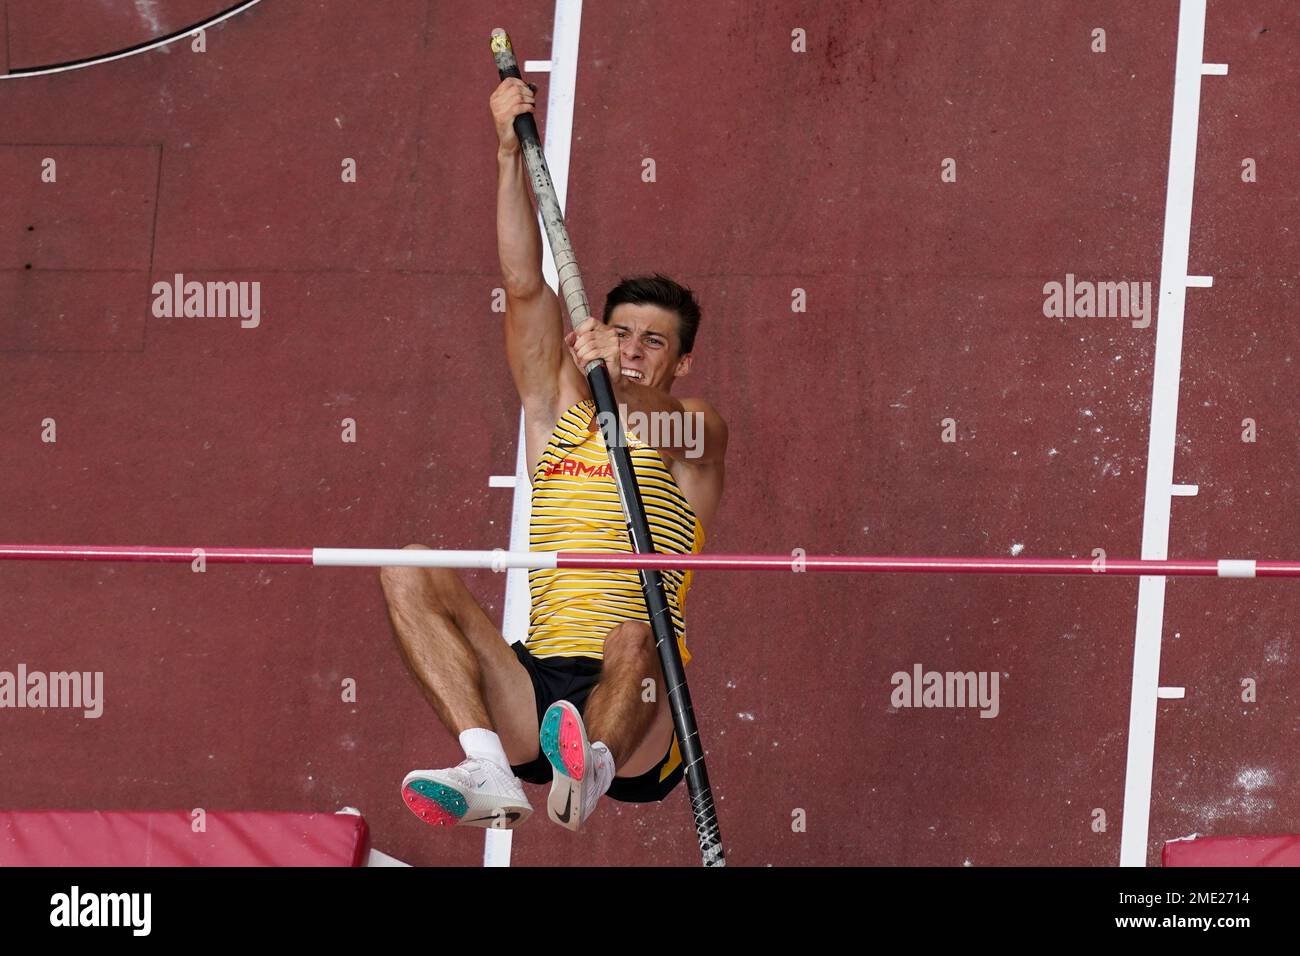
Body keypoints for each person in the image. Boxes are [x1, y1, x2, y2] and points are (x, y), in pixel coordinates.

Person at [379, 77, 727, 832]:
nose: (632, 352)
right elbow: (521, 284)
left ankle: (588, 773)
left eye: (653, 342)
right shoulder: (556, 414)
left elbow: (666, 422)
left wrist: (620, 387)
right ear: (596, 333)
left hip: (637, 703)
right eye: (621, 334)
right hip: (537, 693)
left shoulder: (693, 428)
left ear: (683, 362)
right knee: (405, 563)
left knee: (635, 635)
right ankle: (485, 765)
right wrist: (507, 152)